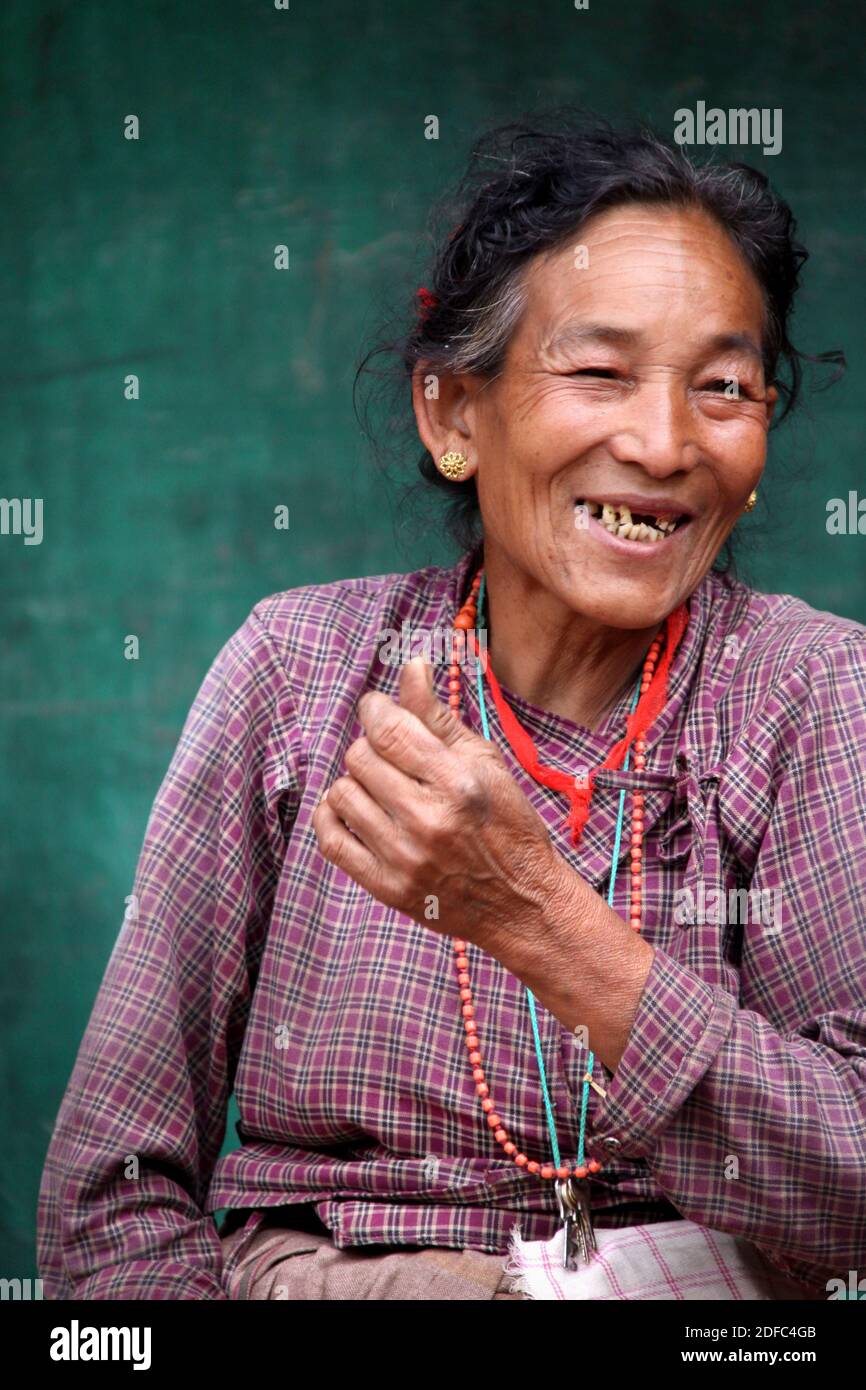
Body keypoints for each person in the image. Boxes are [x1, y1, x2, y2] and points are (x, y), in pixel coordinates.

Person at [38, 113, 864, 1301]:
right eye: (596, 372)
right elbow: (107, 1198)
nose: (663, 440)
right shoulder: (300, 674)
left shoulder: (811, 692)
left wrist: (536, 915)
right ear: (452, 416)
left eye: (723, 386)